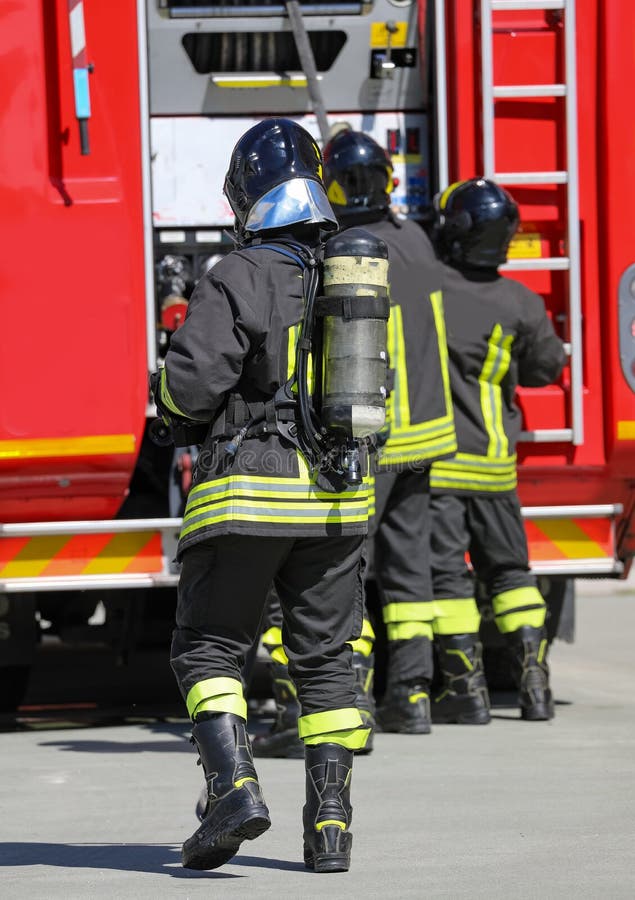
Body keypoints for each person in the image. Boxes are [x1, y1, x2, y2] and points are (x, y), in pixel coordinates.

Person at [151, 118, 372, 873]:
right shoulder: (354, 278)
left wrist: (168, 405)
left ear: (247, 195)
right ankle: (332, 825)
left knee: (209, 646)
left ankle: (232, 786)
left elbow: (188, 390)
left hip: (249, 493)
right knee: (327, 662)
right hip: (340, 499)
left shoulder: (237, 273)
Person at [428, 177, 566, 724]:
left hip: (438, 465)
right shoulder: (522, 303)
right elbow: (545, 368)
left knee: (449, 581)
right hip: (494, 467)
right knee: (511, 574)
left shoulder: (426, 289)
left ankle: (467, 693)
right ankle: (536, 687)